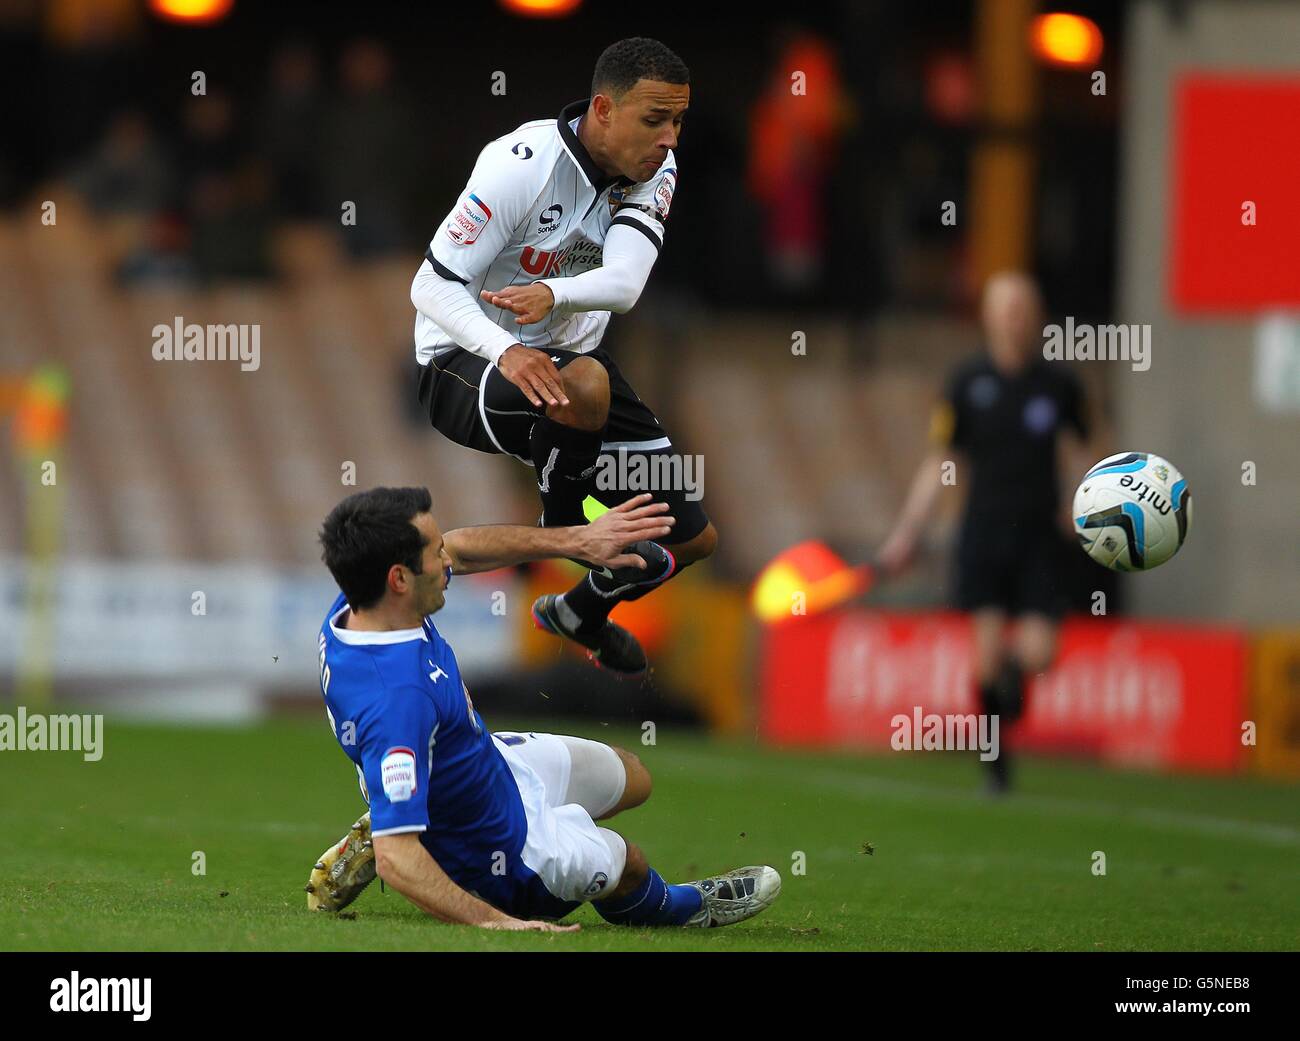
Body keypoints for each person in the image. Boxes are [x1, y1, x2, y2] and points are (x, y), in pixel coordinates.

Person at [307, 487, 780, 930]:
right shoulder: (397, 699)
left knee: (634, 777)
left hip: (491, 764)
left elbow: (465, 547)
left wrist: (581, 540)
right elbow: (397, 858)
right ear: (400, 579)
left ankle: (402, 808)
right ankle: (681, 909)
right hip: (502, 851)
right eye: (436, 554)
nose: (449, 559)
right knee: (628, 863)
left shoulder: (360, 599)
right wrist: (497, 922)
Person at [410, 37, 714, 676]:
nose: (670, 139)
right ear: (603, 110)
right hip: (464, 362)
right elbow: (429, 286)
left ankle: (580, 610)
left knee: (691, 538)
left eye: (678, 121)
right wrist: (506, 349)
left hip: (570, 369)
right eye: (654, 120)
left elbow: (625, 286)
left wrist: (552, 293)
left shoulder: (654, 168)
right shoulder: (519, 165)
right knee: (588, 383)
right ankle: (568, 525)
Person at [877, 272, 1094, 793]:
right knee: (985, 658)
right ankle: (996, 766)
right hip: (983, 532)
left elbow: (1088, 454)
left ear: (1036, 316)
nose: (1014, 318)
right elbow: (939, 462)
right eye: (1004, 308)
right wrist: (907, 534)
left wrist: (1083, 506)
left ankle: (1009, 695)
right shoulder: (966, 383)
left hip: (1041, 534)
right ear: (989, 317)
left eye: (1022, 308)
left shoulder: (1060, 386)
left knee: (1040, 653)